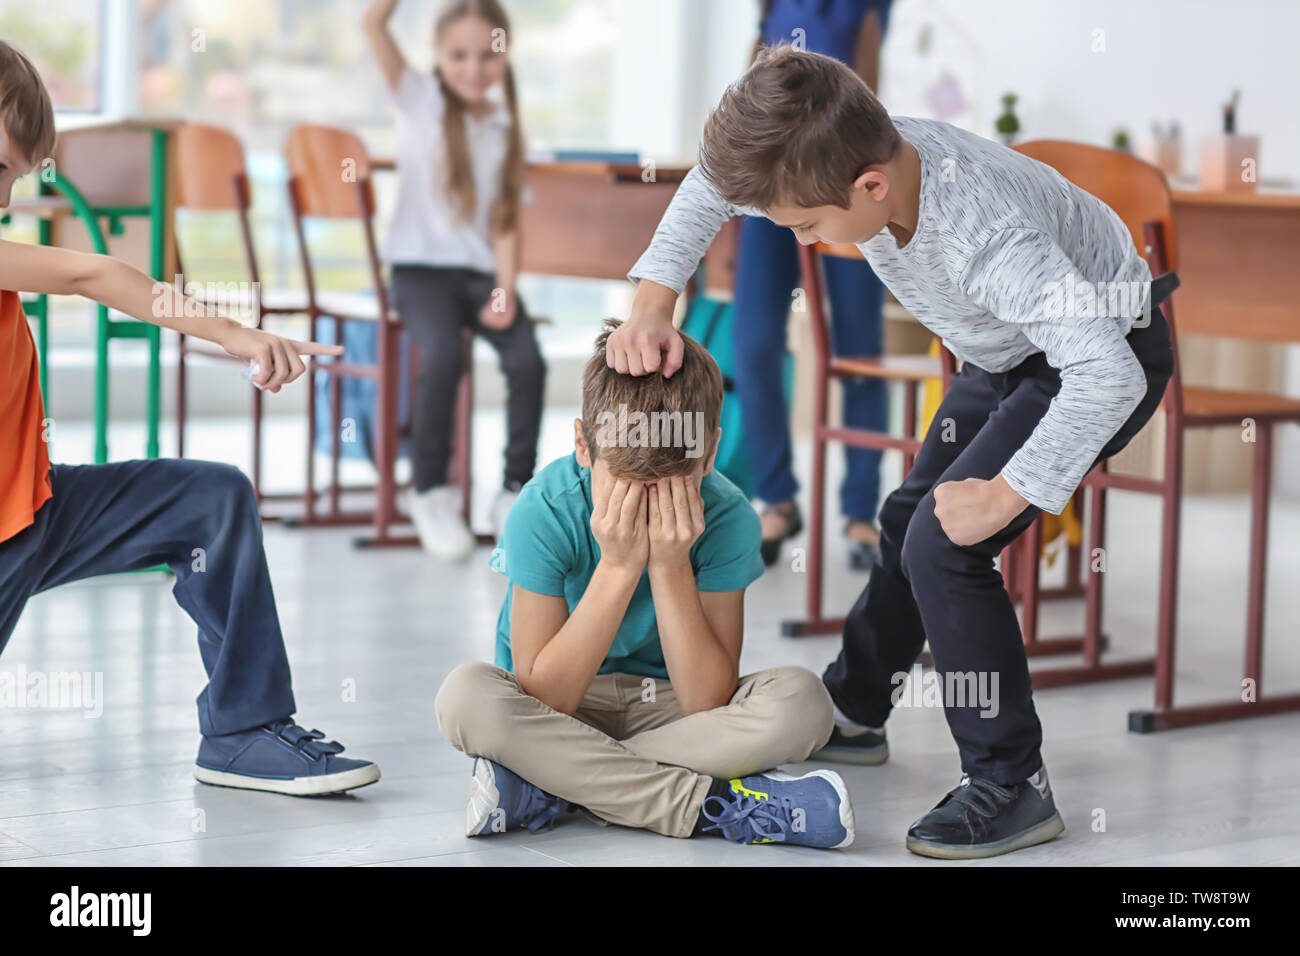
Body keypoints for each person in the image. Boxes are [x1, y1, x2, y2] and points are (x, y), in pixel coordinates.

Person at [607, 47, 1176, 858]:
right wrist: (653, 303)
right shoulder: (851, 147)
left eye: (805, 227)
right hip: (1009, 352)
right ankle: (856, 710)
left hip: (1101, 352)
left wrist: (1011, 492)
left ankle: (1012, 782)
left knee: (948, 541)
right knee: (908, 515)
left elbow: (1107, 374)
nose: (801, 236)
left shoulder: (987, 239)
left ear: (870, 187)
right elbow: (712, 181)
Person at [0, 40, 378, 795]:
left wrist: (242, 335)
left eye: (11, 179)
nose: (6, 201)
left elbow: (107, 278)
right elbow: (93, 272)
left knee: (212, 499)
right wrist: (239, 335)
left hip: (35, 513)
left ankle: (243, 730)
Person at [434, 320, 854, 848]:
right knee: (465, 697)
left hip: (674, 711)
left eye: (671, 486)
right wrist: (617, 566)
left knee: (803, 703)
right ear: (584, 447)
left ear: (709, 454)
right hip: (561, 707)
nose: (648, 507)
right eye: (628, 485)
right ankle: (712, 807)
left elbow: (707, 701)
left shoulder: (729, 518)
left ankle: (546, 781)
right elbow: (547, 697)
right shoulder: (544, 508)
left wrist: (669, 563)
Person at [364, 0, 545, 559]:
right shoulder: (417, 98)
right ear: (438, 58)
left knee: (527, 360)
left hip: (481, 274)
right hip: (420, 272)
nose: (472, 68)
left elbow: (506, 219)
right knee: (442, 356)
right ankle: (430, 490)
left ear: (504, 53)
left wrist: (505, 289)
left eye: (485, 55)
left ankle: (514, 491)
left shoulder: (503, 123)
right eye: (457, 55)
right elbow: (372, 22)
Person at [738, 0, 894, 570]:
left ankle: (859, 513)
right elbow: (753, 85)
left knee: (859, 355)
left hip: (842, 181)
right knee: (752, 346)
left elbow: (865, 99)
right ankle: (777, 497)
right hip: (768, 183)